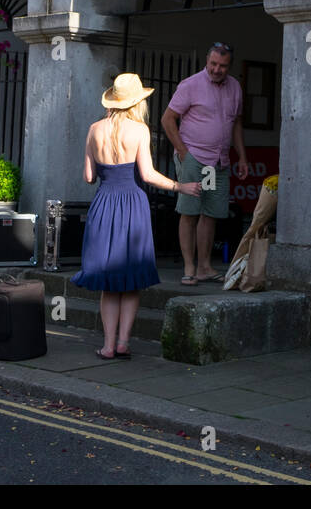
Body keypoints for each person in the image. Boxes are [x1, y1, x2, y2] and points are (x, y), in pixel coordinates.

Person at [78, 73, 200, 360]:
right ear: (137, 102)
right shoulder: (140, 130)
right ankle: (123, 343)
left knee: (108, 282)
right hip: (132, 204)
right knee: (131, 279)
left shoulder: (94, 129)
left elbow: (88, 177)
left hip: (104, 204)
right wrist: (179, 185)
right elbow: (147, 175)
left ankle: (107, 346)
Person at [162, 43, 250, 285]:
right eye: (213, 64)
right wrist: (182, 151)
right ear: (207, 61)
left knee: (210, 212)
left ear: (229, 65)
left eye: (222, 66)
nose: (217, 69)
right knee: (189, 211)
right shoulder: (190, 84)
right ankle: (189, 267)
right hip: (194, 157)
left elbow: (237, 124)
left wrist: (241, 156)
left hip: (218, 160)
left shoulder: (235, 87)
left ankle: (204, 266)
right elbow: (168, 119)